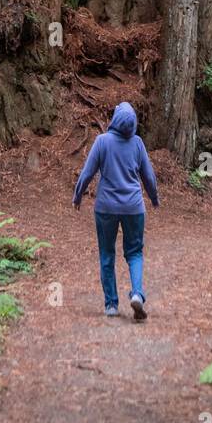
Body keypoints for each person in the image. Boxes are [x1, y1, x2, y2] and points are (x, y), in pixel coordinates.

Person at [72, 100, 159, 320]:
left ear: (115, 118)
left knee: (107, 253)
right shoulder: (137, 143)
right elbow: (148, 177)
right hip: (133, 207)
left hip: (106, 208)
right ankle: (137, 294)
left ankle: (111, 304)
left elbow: (87, 172)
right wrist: (154, 198)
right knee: (135, 253)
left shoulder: (102, 141)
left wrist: (77, 195)